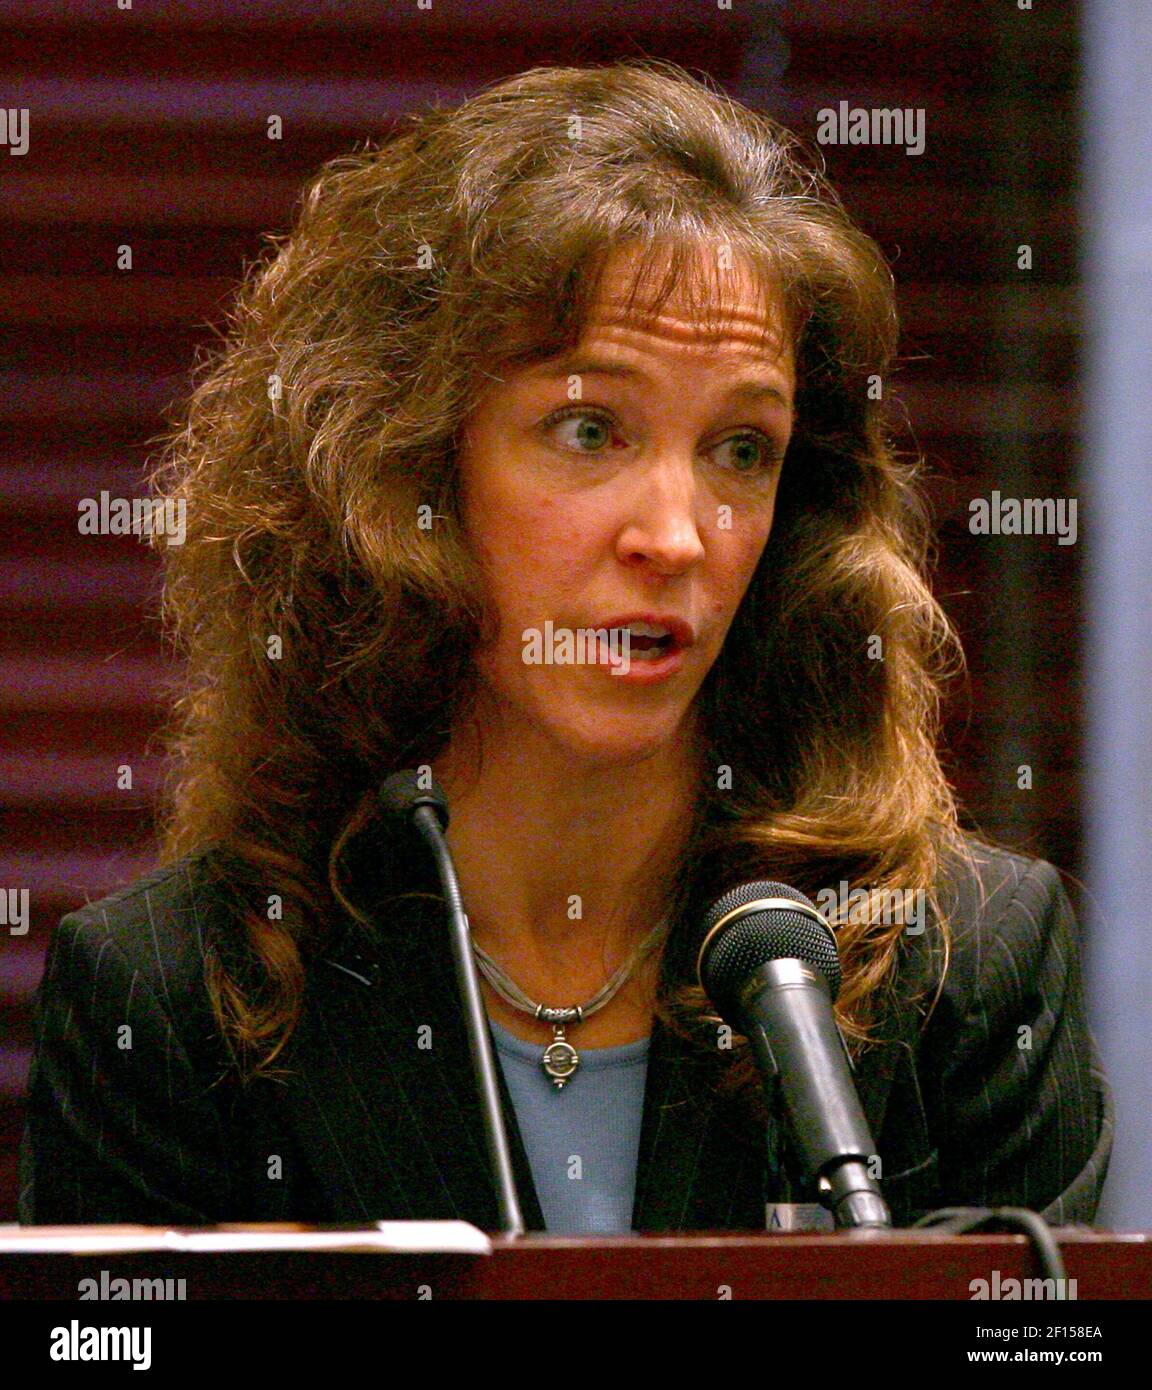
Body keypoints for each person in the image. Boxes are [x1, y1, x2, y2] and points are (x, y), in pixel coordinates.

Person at [18, 59, 1111, 1234]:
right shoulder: (171, 997)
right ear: (412, 474)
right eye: (590, 429)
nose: (677, 536)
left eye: (742, 449)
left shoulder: (969, 970)